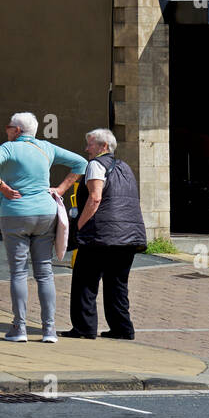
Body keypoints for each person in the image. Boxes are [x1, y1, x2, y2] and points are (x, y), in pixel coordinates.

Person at [0, 112, 87, 343]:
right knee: (45, 271)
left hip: (16, 213)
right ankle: (49, 330)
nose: (6, 130)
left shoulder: (8, 148)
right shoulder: (47, 148)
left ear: (17, 130)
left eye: (9, 127)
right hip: (46, 212)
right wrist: (60, 189)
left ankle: (20, 329)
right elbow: (81, 163)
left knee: (18, 272)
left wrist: (3, 187)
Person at [62, 128, 146, 339]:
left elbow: (95, 198)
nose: (86, 148)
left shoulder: (95, 165)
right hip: (129, 236)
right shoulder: (125, 167)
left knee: (85, 281)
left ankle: (84, 328)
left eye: (90, 144)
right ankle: (122, 328)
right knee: (117, 283)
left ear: (103, 147)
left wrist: (80, 225)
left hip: (100, 235)